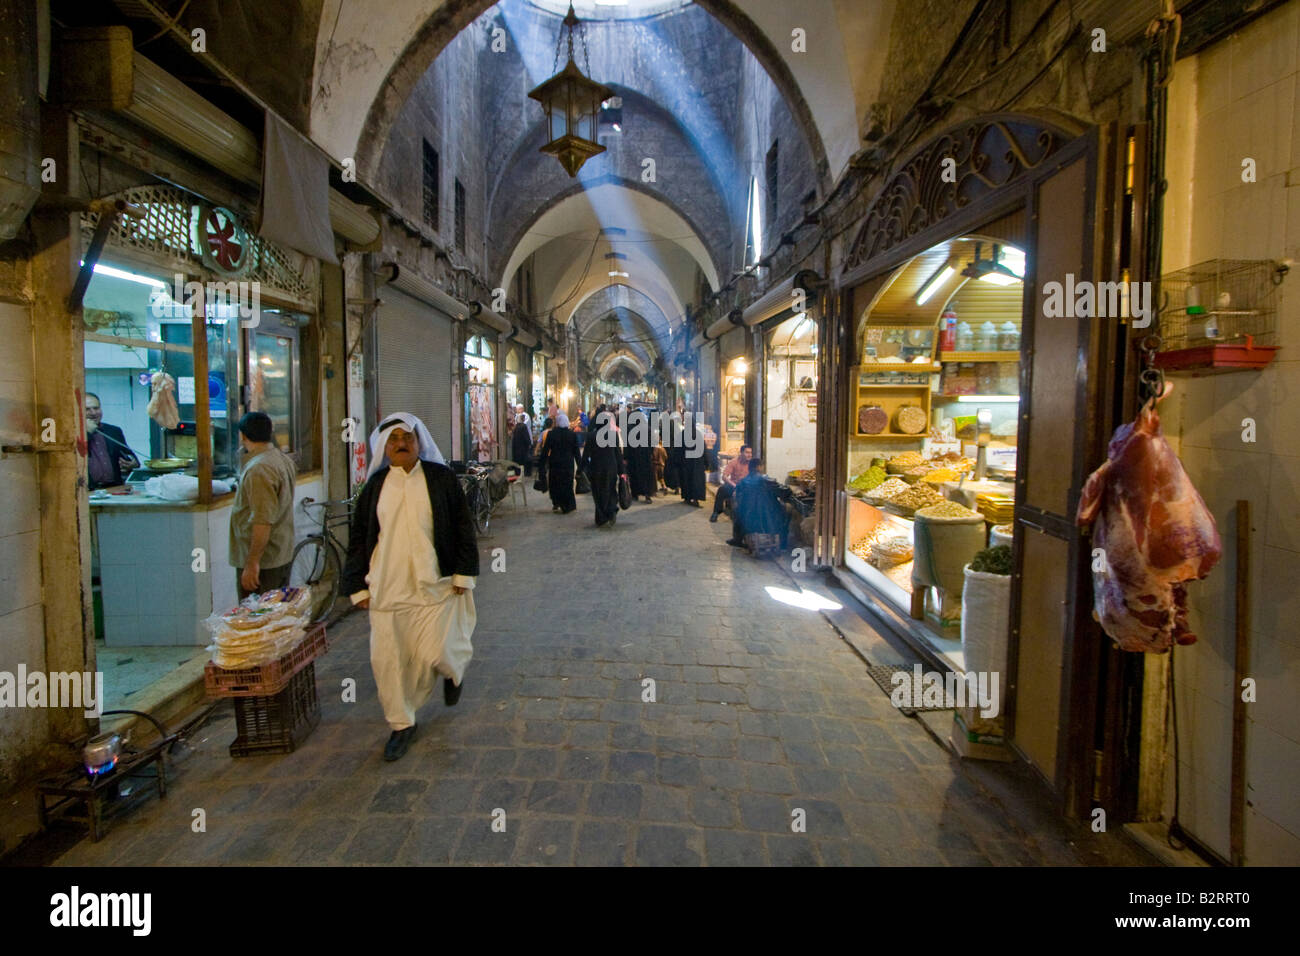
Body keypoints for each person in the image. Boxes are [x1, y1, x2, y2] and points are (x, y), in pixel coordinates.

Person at [341, 412, 478, 762]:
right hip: (389, 589)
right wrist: (357, 586)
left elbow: (463, 527)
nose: (401, 444)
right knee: (388, 661)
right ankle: (401, 724)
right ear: (384, 447)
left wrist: (463, 573)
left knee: (439, 651)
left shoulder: (441, 479)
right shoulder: (375, 487)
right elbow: (359, 539)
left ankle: (453, 674)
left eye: (407, 438)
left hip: (436, 586)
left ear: (419, 442)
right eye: (394, 439)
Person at [229, 411, 297, 600]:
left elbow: (262, 520)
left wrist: (252, 563)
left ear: (243, 436)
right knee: (277, 613)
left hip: (264, 563)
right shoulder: (281, 459)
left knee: (258, 614)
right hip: (279, 554)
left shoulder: (259, 469)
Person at [84, 392, 140, 489]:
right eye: (87, 409)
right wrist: (87, 433)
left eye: (96, 408)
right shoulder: (70, 434)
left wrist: (133, 463)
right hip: (87, 490)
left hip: (114, 488)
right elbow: (74, 455)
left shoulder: (114, 431)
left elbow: (129, 454)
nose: (93, 413)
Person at [728, 457, 786, 548]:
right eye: (762, 466)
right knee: (784, 509)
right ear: (758, 467)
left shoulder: (743, 482)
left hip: (747, 515)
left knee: (738, 511)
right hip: (766, 514)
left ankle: (737, 539)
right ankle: (783, 543)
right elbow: (781, 491)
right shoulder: (766, 480)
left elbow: (737, 497)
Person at [583, 408, 624, 528]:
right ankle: (611, 510)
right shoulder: (613, 435)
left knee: (598, 492)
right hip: (611, 467)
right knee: (610, 489)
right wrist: (622, 471)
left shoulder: (591, 436)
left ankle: (601, 516)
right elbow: (617, 454)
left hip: (596, 468)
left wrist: (581, 469)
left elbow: (586, 454)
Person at [538, 412, 578, 514]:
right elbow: (576, 452)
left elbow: (545, 450)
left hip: (555, 463)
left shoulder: (552, 434)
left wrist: (541, 464)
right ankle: (567, 505)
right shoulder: (572, 435)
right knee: (567, 483)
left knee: (555, 483)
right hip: (568, 464)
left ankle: (556, 502)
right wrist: (580, 466)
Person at [710, 444, 752, 523]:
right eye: (747, 452)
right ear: (741, 453)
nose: (749, 455)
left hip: (747, 486)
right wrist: (734, 486)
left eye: (750, 453)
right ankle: (716, 512)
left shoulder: (752, 464)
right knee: (722, 489)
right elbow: (724, 476)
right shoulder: (734, 462)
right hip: (734, 485)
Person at [624, 408, 656, 504]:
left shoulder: (629, 428)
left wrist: (625, 457)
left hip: (633, 457)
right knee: (646, 476)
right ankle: (647, 494)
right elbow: (652, 443)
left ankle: (635, 494)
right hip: (645, 457)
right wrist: (651, 453)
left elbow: (627, 445)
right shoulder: (648, 428)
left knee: (634, 475)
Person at [678, 416, 708, 508]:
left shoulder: (683, 434)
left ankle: (687, 497)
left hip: (685, 462)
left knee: (686, 479)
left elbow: (678, 449)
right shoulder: (698, 434)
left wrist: (677, 461)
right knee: (696, 480)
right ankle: (696, 499)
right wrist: (706, 462)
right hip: (697, 463)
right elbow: (704, 450)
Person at [510, 412, 533, 477]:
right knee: (525, 461)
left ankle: (517, 473)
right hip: (523, 448)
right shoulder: (523, 426)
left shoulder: (516, 427)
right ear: (523, 419)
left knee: (517, 461)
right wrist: (529, 444)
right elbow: (526, 437)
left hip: (516, 448)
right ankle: (526, 473)